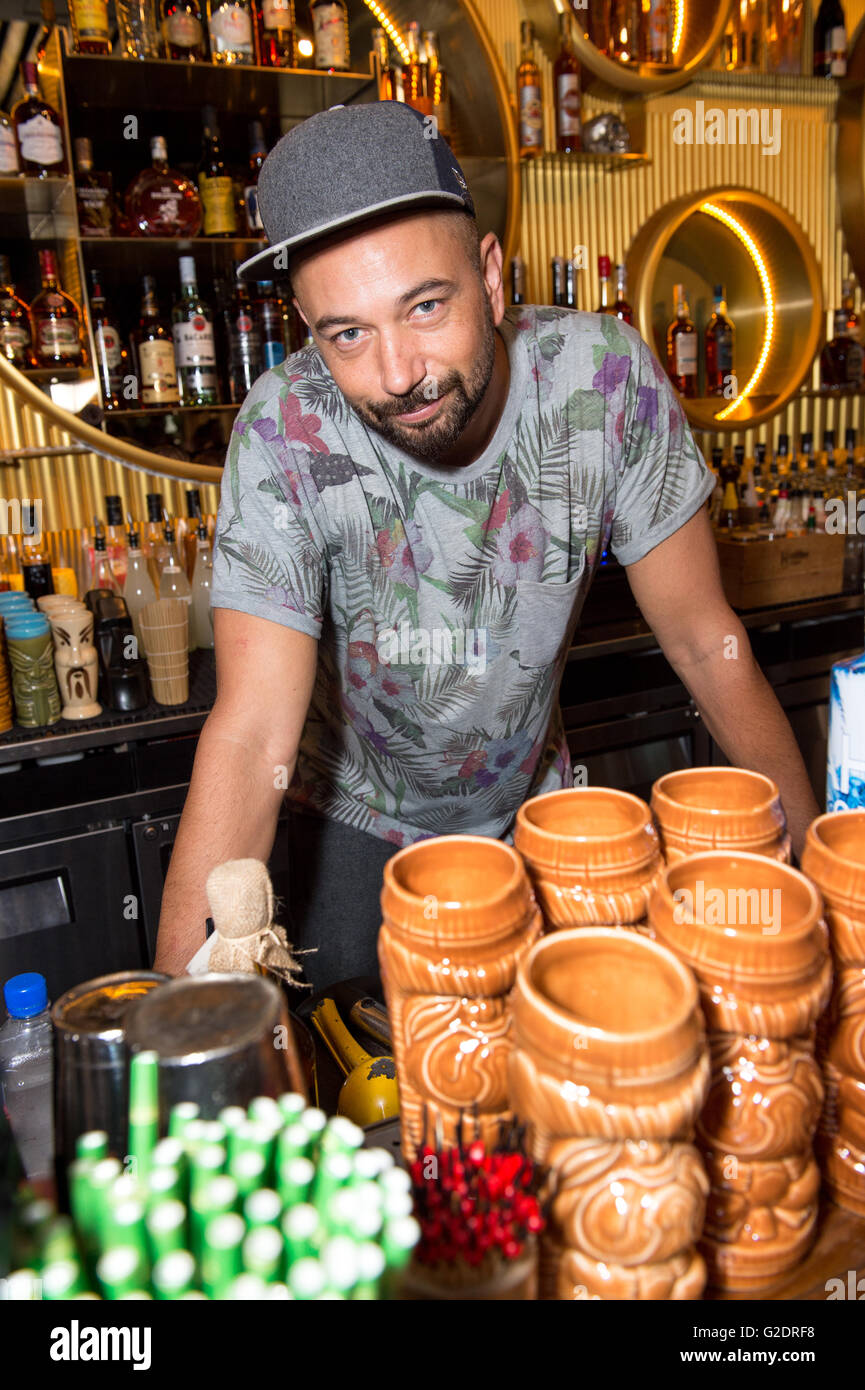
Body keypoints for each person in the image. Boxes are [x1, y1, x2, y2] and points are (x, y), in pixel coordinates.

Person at [153, 102, 819, 985]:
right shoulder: (284, 430)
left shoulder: (603, 378)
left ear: (491, 278)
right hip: (349, 826)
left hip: (535, 812)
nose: (398, 375)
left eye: (426, 306)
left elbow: (707, 641)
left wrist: (824, 877)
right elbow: (248, 737)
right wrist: (171, 1018)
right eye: (346, 334)